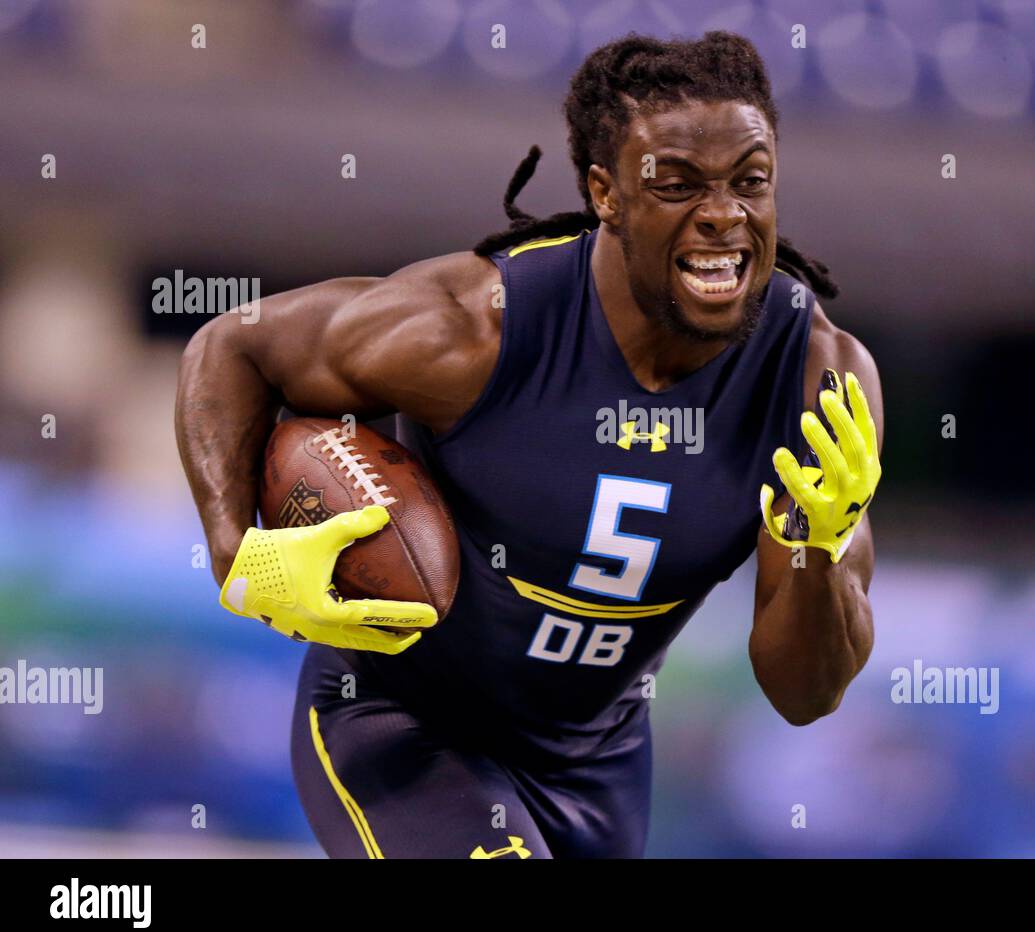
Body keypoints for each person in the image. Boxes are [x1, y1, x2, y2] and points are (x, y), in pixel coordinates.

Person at [176, 31, 883, 859]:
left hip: (599, 759)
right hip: (402, 719)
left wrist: (814, 549)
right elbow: (236, 345)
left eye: (750, 183)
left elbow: (806, 695)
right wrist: (236, 556)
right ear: (605, 193)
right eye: (679, 184)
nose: (723, 214)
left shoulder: (818, 383)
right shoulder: (481, 330)